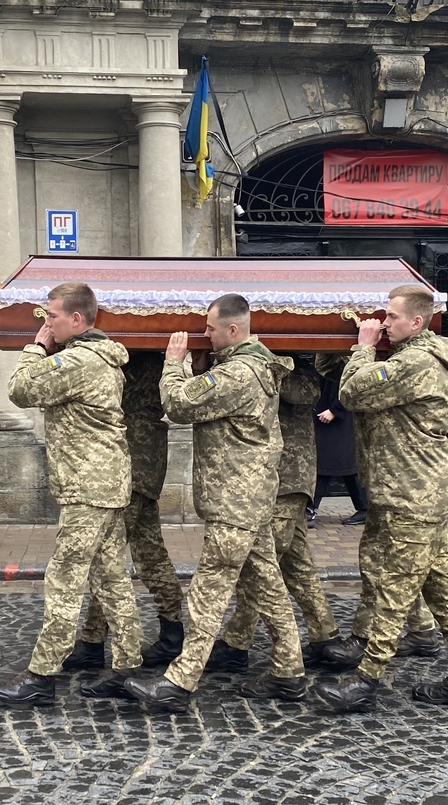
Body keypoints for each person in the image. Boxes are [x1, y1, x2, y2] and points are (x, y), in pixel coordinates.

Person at [127, 294, 308, 712]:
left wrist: (175, 362)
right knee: (269, 587)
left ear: (232, 330)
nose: (203, 334)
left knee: (209, 592)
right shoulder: (256, 366)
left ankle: (180, 681)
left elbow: (178, 404)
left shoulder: (239, 374)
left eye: (209, 328)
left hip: (235, 503)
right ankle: (289, 672)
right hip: (251, 500)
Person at [314, 285, 448, 714]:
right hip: (404, 488)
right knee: (439, 581)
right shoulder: (404, 356)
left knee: (396, 584)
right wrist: (345, 344)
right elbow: (343, 374)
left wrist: (363, 346)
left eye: (390, 316)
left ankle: (367, 679)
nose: (383, 322)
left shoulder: (416, 362)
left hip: (414, 492)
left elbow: (352, 394)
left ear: (417, 322)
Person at [0, 282, 141, 706]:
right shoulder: (101, 356)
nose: (46, 322)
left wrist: (36, 348)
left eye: (51, 316)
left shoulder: (79, 360)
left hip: (88, 486)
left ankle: (42, 674)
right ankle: (128, 667)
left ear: (76, 319)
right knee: (112, 579)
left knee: (65, 579)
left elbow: (20, 389)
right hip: (106, 483)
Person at [213, 356, 342, 671]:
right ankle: (326, 638)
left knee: (260, 566)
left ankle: (236, 642)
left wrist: (268, 364)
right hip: (269, 478)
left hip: (288, 476)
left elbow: (306, 393)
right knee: (297, 566)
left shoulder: (297, 364)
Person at [65, 351, 187, 671]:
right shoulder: (153, 361)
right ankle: (173, 633)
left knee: (108, 559)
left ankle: (93, 642)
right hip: (143, 467)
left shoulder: (131, 364)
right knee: (151, 555)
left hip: (130, 469)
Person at [312, 372, 368, 528]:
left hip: (336, 417)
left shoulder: (340, 357)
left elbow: (352, 384)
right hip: (328, 413)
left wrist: (335, 410)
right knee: (343, 465)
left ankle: (310, 508)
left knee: (330, 464)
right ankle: (364, 507)